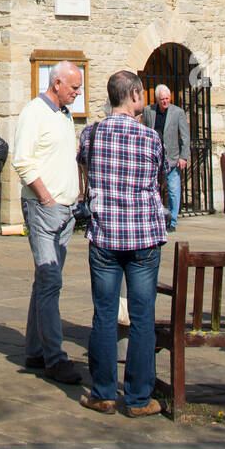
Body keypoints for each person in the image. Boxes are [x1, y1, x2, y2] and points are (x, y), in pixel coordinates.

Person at [78, 69, 167, 417]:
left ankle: (103, 393)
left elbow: (84, 164)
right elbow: (160, 175)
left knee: (104, 313)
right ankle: (139, 398)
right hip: (144, 235)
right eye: (141, 94)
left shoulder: (92, 133)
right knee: (143, 317)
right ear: (132, 95)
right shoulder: (151, 138)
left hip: (105, 234)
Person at [13, 60, 84, 384]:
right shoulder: (34, 112)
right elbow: (23, 161)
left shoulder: (65, 116)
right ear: (56, 83)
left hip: (66, 211)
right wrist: (46, 198)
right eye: (73, 87)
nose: (77, 93)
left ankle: (34, 351)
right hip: (44, 210)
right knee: (50, 280)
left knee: (45, 281)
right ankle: (55, 359)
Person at [141, 84, 190, 231]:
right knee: (152, 190)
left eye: (167, 99)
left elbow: (185, 136)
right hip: (154, 158)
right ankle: (155, 219)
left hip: (172, 158)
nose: (165, 102)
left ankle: (172, 221)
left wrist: (183, 157)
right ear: (157, 99)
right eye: (162, 99)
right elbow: (143, 133)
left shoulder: (178, 112)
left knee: (174, 191)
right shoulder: (148, 111)